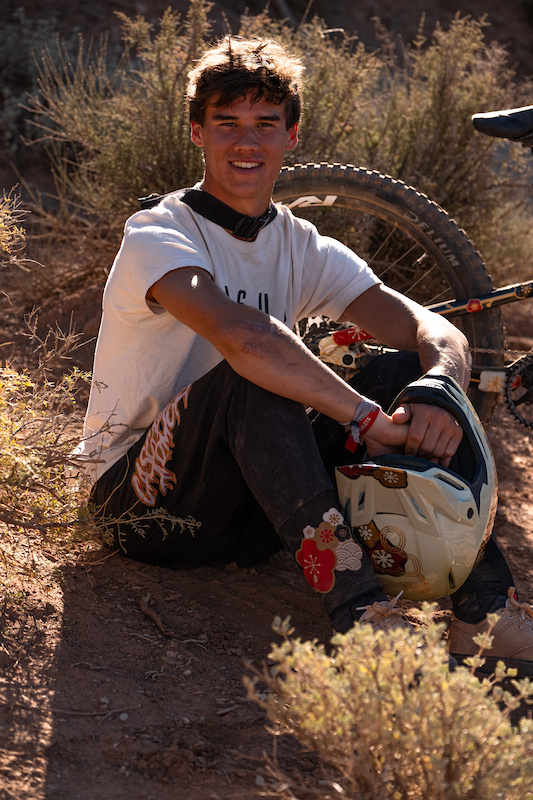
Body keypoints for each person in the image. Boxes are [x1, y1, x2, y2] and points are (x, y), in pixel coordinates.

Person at [75, 36, 533, 674]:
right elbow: (246, 340)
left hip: (252, 516)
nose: (246, 143)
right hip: (142, 507)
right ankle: (363, 618)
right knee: (255, 373)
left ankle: (485, 610)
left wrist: (440, 384)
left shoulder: (299, 243)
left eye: (266, 125)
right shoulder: (160, 231)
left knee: (412, 371)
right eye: (227, 124)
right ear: (196, 133)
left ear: (291, 137)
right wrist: (365, 420)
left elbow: (436, 329)